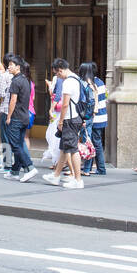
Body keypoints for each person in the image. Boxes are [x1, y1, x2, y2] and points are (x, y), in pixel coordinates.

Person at [44, 59, 84, 188]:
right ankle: (56, 176)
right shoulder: (76, 79)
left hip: (69, 119)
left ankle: (78, 180)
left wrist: (60, 121)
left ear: (60, 70)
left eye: (57, 73)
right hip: (75, 118)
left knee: (72, 150)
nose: (57, 76)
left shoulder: (68, 82)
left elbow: (65, 104)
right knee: (64, 148)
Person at [1, 54, 38, 182]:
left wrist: (9, 116)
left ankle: (30, 167)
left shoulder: (16, 81)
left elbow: (13, 100)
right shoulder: (25, 80)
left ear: (18, 67)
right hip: (24, 116)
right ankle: (15, 171)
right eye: (9, 64)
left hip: (16, 117)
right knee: (19, 144)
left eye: (11, 65)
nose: (8, 67)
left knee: (15, 145)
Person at [79, 62, 106, 176]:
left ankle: (99, 168)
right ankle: (92, 167)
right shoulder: (100, 82)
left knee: (93, 142)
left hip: (95, 117)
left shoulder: (90, 84)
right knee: (94, 142)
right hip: (101, 116)